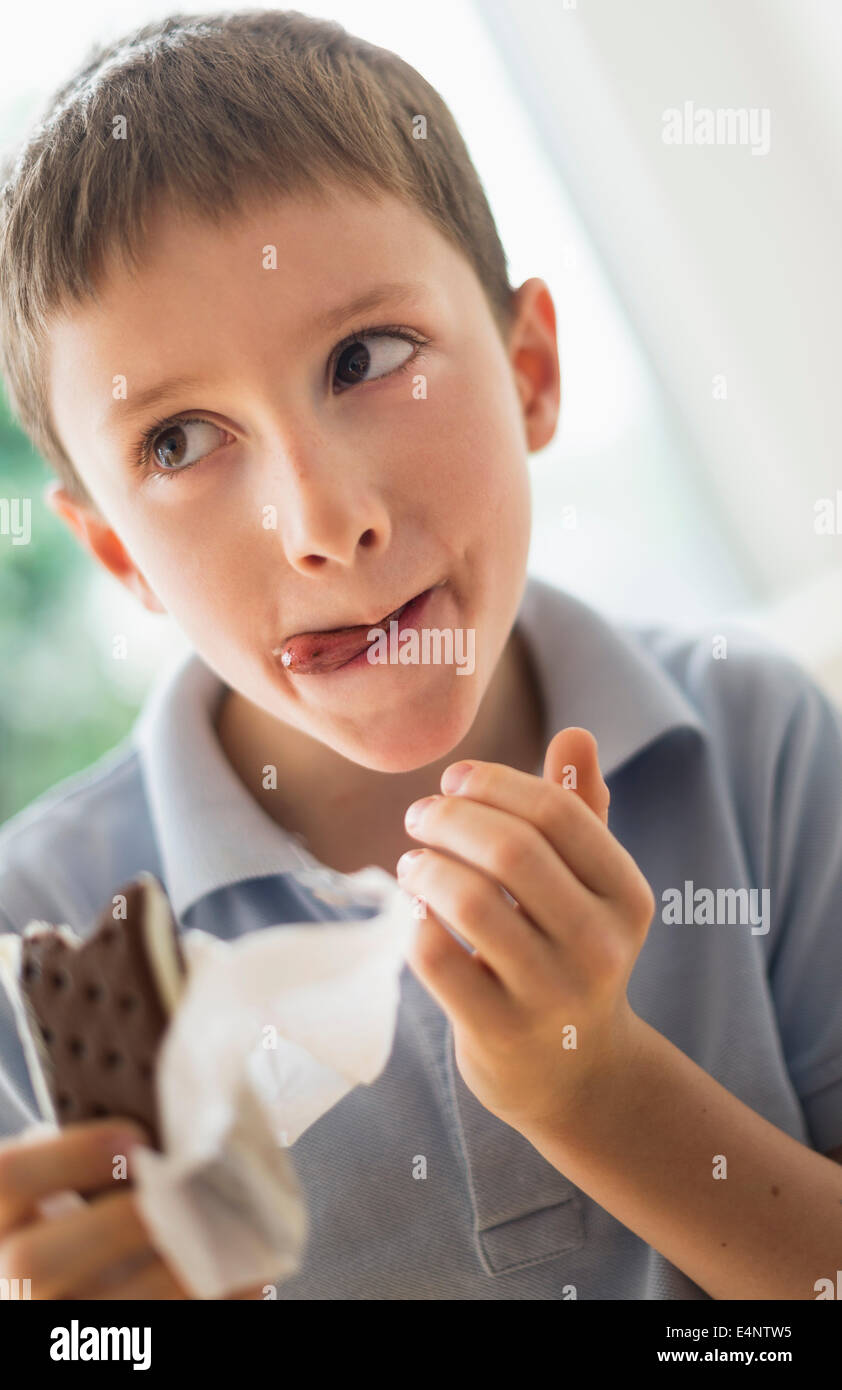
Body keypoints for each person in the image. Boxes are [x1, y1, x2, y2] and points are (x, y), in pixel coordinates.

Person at [0, 10, 840, 1301]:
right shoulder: (36, 939)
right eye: (178, 441)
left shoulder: (754, 744)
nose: (326, 521)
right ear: (117, 555)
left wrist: (596, 1090)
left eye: (365, 357)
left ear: (530, 371)